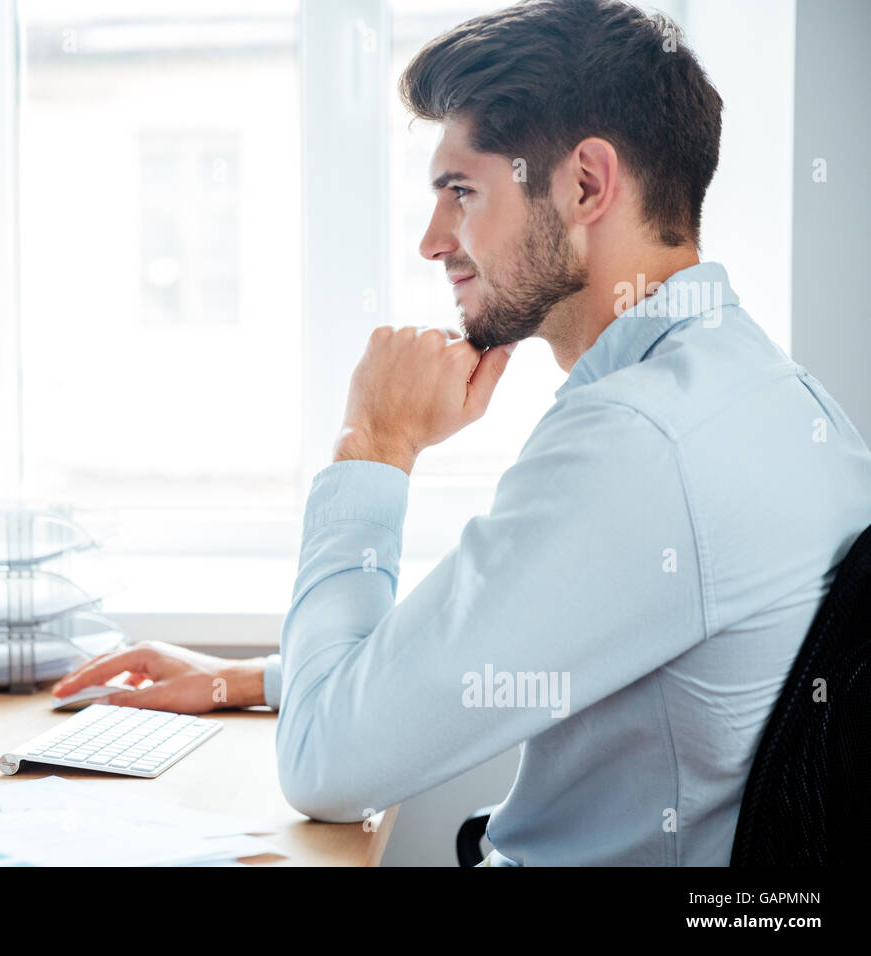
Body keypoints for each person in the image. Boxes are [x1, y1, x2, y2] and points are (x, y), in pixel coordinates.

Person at [54, 0, 871, 864]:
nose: (431, 240)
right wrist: (262, 680)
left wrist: (373, 443)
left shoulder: (637, 442)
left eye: (461, 192)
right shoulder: (770, 397)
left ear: (587, 185)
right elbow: (554, 638)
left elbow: (325, 769)